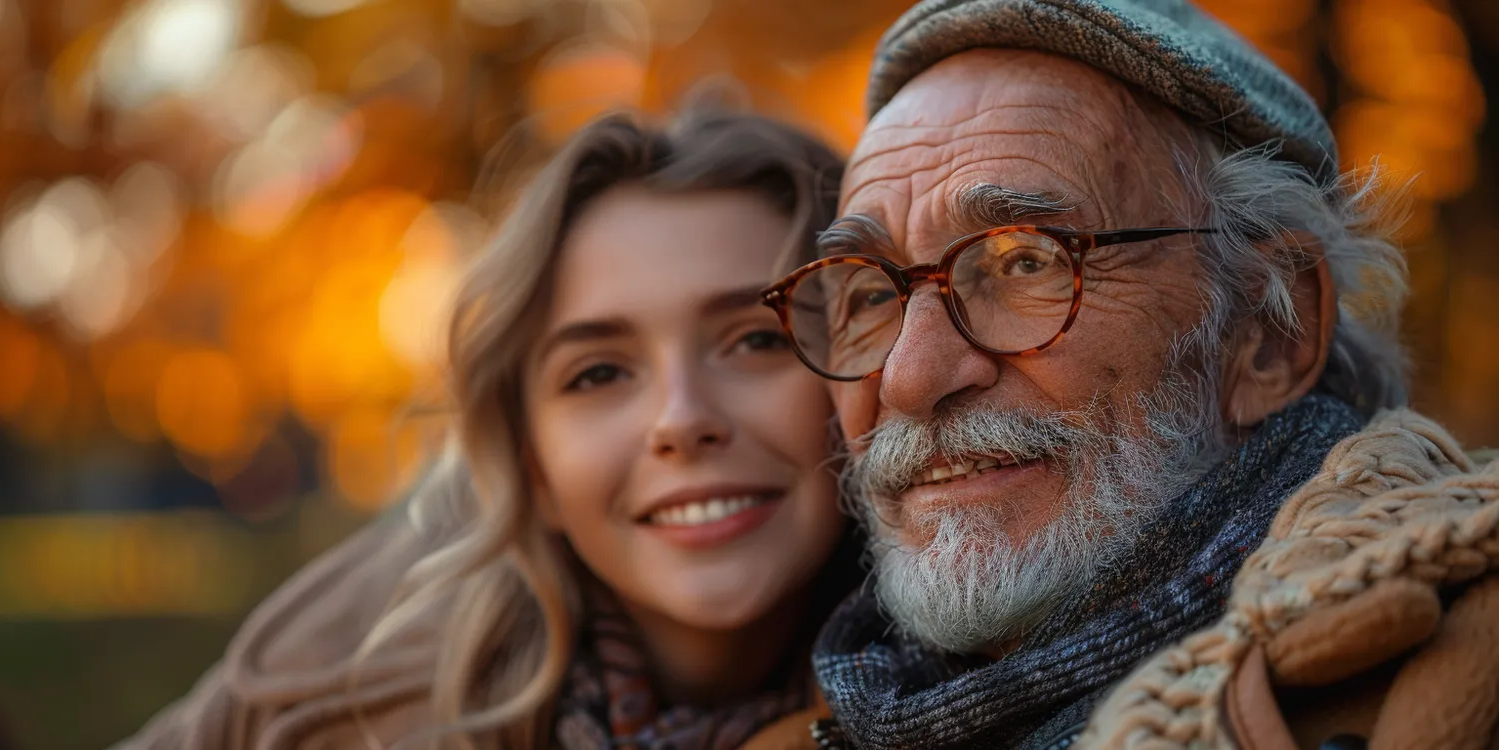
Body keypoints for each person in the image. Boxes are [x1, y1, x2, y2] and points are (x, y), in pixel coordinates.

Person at [759, 0, 1499, 748]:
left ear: (1270, 335)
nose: (910, 378)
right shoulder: (783, 733)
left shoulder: (1453, 672)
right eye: (873, 294)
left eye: (1025, 261)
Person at [115, 108, 860, 750]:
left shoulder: (965, 682)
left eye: (758, 340)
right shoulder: (338, 683)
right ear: (531, 467)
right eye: (598, 373)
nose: (682, 420)